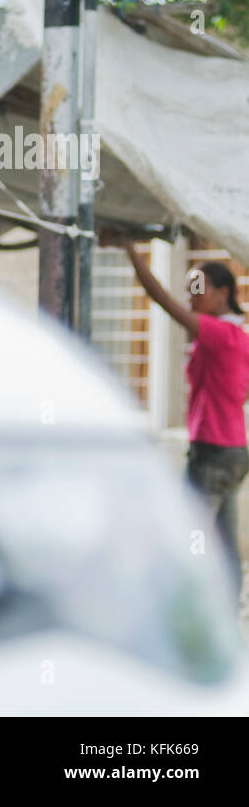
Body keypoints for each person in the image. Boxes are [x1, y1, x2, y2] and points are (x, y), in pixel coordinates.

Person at [102, 229, 249, 599]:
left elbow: (164, 302)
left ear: (223, 292)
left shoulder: (219, 334)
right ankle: (225, 625)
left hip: (213, 450)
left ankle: (182, 623)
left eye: (198, 287)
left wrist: (132, 251)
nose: (191, 296)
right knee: (224, 546)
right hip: (232, 450)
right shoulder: (238, 336)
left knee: (186, 542)